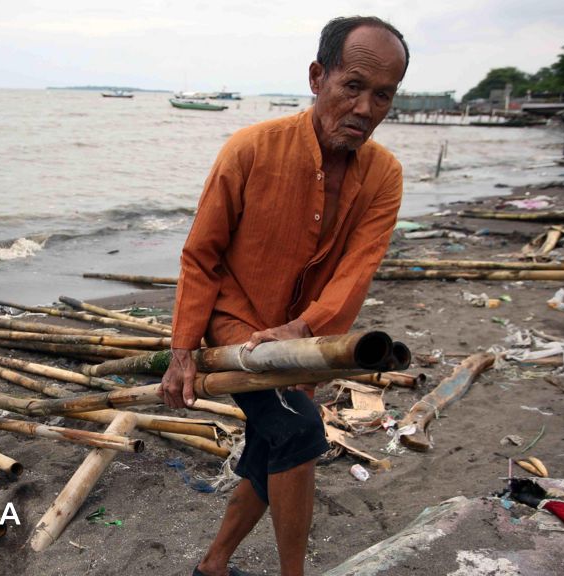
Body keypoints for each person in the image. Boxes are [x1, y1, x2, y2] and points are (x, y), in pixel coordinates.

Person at [158, 16, 410, 576]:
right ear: (318, 77)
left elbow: (356, 271)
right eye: (353, 86)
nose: (366, 108)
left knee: (274, 440)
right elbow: (201, 254)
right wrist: (182, 352)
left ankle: (213, 565)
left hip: (307, 340)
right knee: (298, 429)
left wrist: (305, 336)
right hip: (235, 326)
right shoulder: (250, 150)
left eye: (383, 95)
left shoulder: (384, 175)